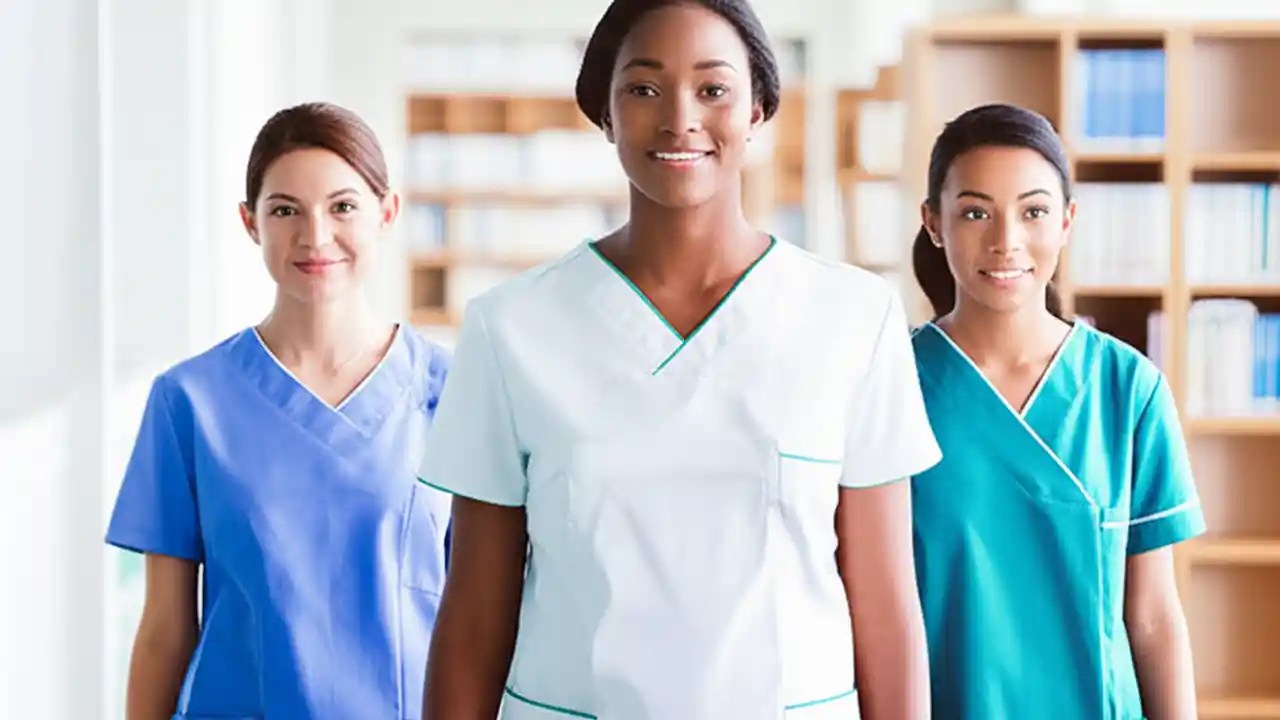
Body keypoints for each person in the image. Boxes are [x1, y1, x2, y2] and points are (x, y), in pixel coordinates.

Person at [419, 1, 941, 718]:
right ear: (603, 112)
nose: (679, 118)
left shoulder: (854, 319)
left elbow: (886, 608)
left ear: (758, 109)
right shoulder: (510, 328)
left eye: (713, 88)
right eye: (643, 88)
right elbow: (474, 616)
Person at [105, 102, 452, 719]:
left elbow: (489, 617)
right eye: (285, 210)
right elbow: (164, 630)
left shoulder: (451, 390)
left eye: (342, 206)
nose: (315, 236)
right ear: (250, 221)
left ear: (387, 213)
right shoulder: (190, 402)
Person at [909, 103, 1205, 720]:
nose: (1006, 241)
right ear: (934, 223)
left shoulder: (1128, 388)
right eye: (975, 212)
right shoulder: (889, 384)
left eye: (1034, 211)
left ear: (1067, 221)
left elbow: (1152, 618)